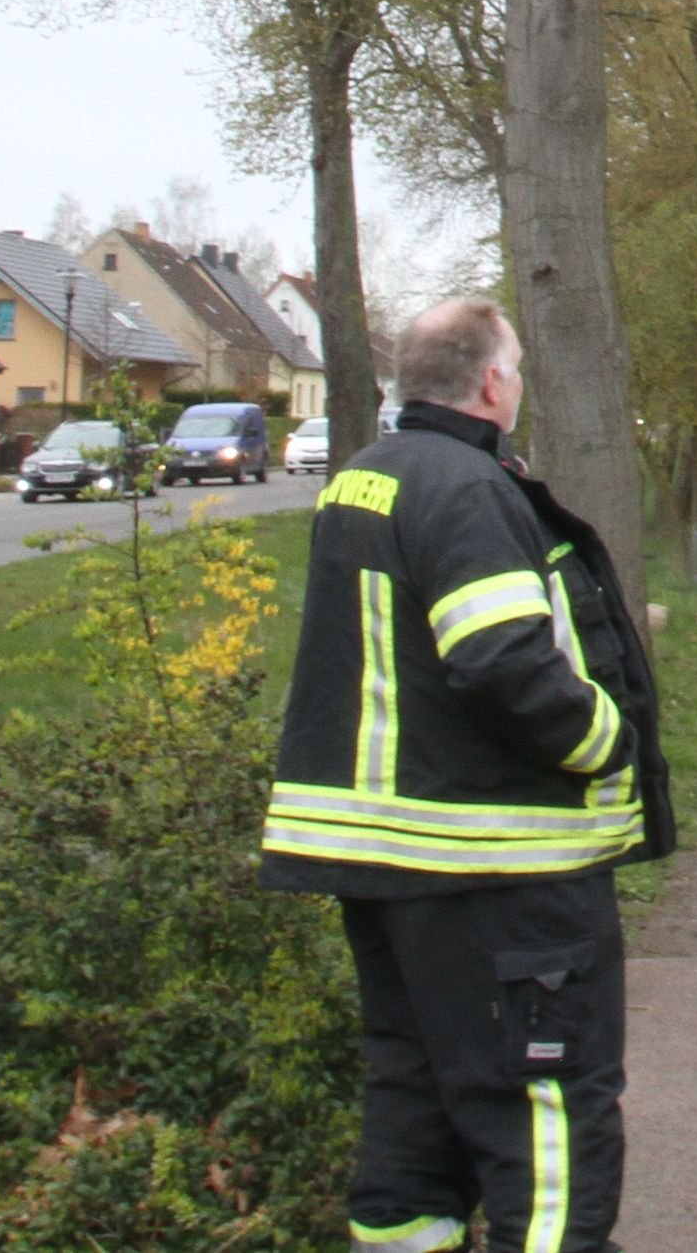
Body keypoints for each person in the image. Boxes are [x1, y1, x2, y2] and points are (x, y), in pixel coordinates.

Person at [262, 298, 670, 1253]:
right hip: (501, 873)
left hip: (389, 867)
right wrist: (607, 740)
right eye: (516, 365)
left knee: (413, 1104)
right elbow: (500, 659)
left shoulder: (366, 478)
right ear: (492, 381)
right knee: (547, 1120)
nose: (518, 380)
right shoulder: (468, 489)